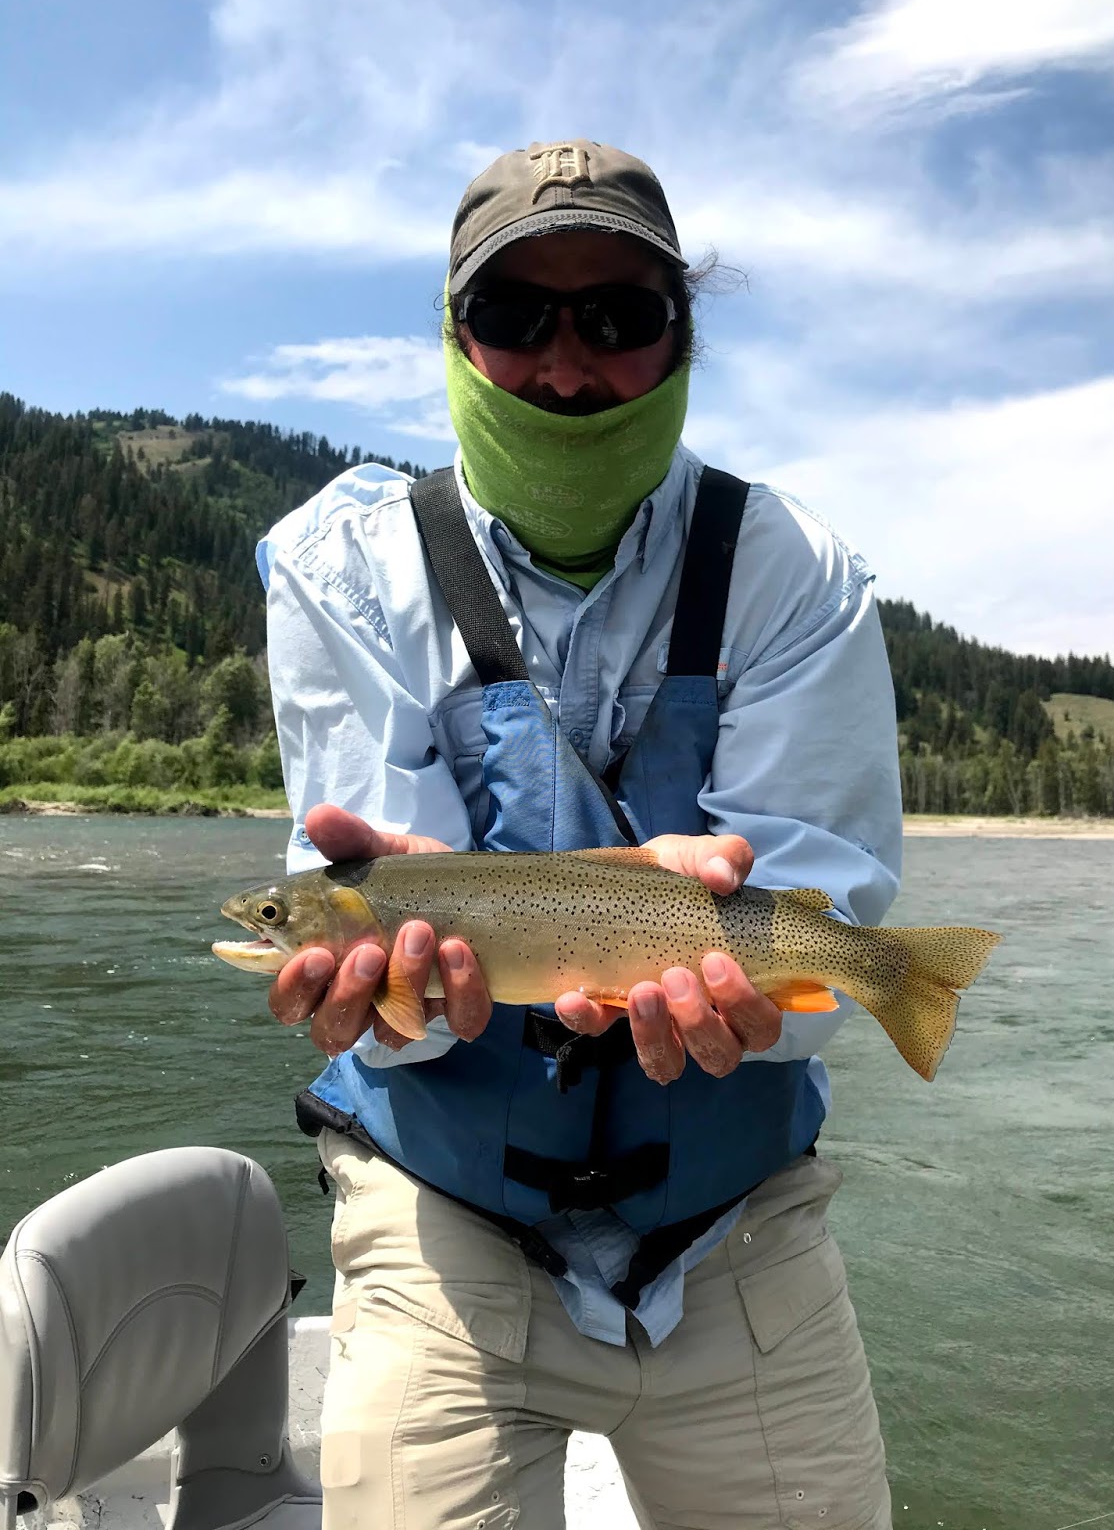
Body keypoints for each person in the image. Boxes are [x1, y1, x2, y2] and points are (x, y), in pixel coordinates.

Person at [258, 139, 903, 1530]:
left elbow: (809, 901)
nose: (565, 369)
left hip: (739, 1241)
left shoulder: (795, 570)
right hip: (444, 1235)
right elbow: (408, 991)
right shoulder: (341, 569)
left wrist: (756, 1002)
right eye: (514, 317)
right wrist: (389, 1005)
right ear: (454, 336)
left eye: (615, 318)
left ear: (681, 341)